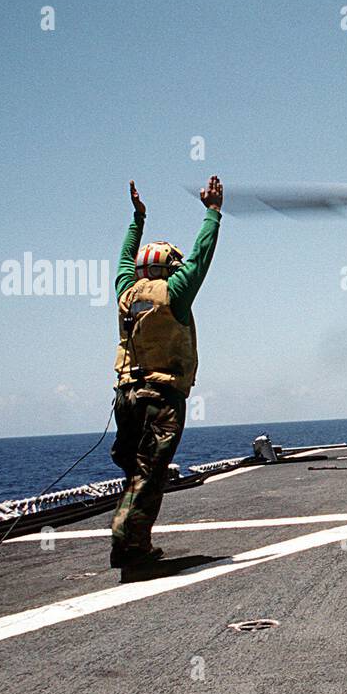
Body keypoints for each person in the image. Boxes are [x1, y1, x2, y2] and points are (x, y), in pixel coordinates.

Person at [109, 176, 223, 569]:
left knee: (135, 471)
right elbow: (200, 257)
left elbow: (124, 259)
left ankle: (135, 541)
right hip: (161, 397)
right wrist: (212, 213)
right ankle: (130, 547)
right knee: (149, 474)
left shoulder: (126, 292)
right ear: (169, 268)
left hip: (125, 397)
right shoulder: (175, 293)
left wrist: (137, 219)